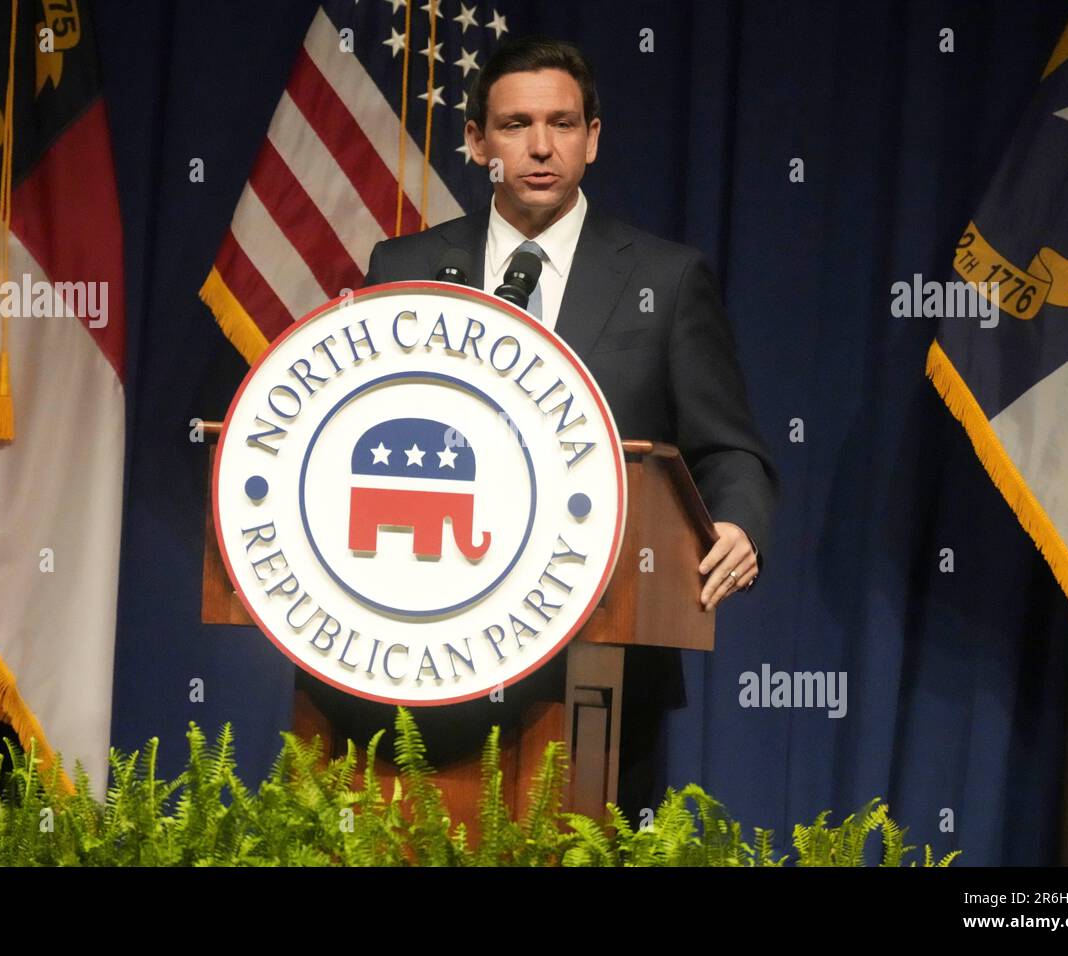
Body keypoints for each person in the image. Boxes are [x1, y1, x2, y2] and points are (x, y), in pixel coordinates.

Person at [307, 34, 778, 823]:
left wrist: (738, 521)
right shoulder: (404, 268)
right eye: (516, 124)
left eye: (562, 124)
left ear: (593, 139)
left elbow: (728, 446)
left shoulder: (665, 278)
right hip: (421, 646)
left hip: (602, 659)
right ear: (475, 141)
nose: (539, 146)